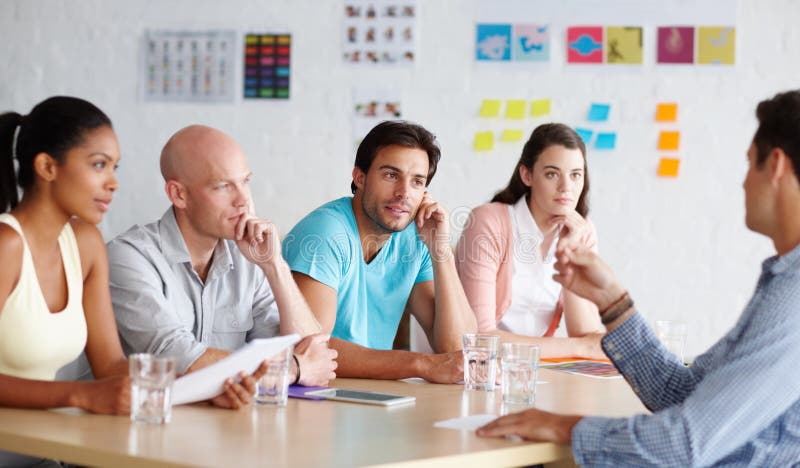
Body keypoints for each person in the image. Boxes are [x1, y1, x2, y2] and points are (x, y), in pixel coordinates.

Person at [477, 91, 800, 466]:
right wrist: (613, 303)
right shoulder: (781, 281)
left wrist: (565, 427)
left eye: (748, 165)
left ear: (774, 165)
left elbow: (682, 445)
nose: (743, 183)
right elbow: (681, 390)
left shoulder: (792, 298)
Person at [107, 125, 337, 391]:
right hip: (142, 424)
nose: (243, 200)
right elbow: (181, 360)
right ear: (178, 194)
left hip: (226, 423)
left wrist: (275, 266)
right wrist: (291, 369)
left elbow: (312, 353)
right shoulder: (129, 257)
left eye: (245, 182)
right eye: (223, 186)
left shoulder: (249, 260)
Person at [282, 120, 477, 383]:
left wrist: (440, 250)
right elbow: (312, 348)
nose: (403, 193)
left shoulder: (416, 237)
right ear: (360, 177)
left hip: (371, 393)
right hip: (313, 393)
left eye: (417, 182)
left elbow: (458, 349)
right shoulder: (325, 233)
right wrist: (420, 364)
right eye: (391, 175)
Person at [456, 123, 605, 358]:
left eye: (575, 175)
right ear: (527, 175)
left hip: (534, 370)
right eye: (552, 174)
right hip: (479, 373)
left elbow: (586, 332)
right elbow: (479, 338)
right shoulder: (488, 221)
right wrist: (578, 347)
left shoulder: (582, 231)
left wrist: (573, 251)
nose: (566, 187)